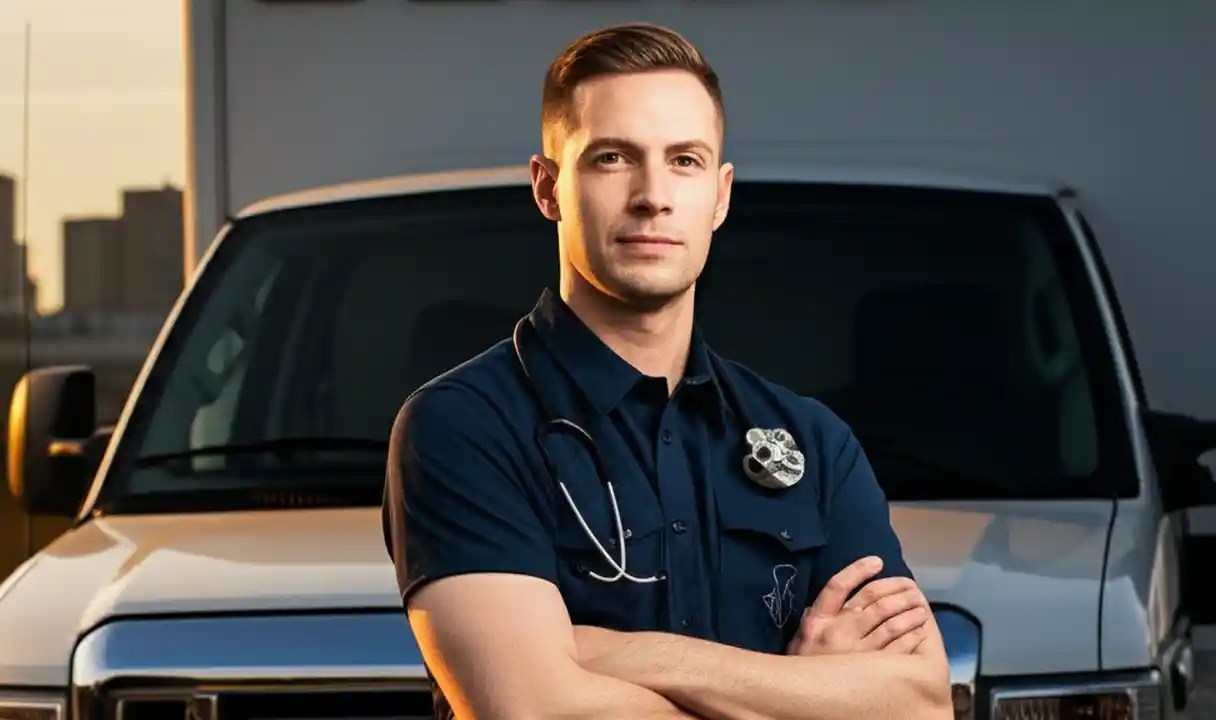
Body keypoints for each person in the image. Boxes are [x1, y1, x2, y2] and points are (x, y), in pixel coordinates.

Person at [382, 22, 953, 720]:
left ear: (721, 194)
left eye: (684, 160)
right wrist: (806, 694)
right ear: (548, 187)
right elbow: (533, 710)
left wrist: (623, 655)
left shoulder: (814, 442)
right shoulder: (465, 427)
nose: (652, 195)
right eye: (612, 158)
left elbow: (921, 704)